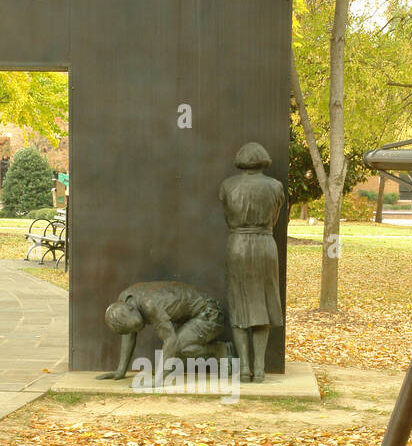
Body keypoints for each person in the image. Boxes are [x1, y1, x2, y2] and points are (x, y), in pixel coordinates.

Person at [218, 142, 285, 382]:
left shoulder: (228, 186)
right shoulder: (275, 187)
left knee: (238, 307)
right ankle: (260, 368)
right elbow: (275, 219)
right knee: (263, 307)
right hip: (265, 244)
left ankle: (244, 368)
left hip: (237, 245)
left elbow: (227, 217)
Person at [97, 281, 229, 380]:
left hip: (210, 314)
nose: (138, 330)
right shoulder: (124, 300)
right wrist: (121, 370)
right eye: (133, 329)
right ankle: (171, 366)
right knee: (174, 348)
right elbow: (129, 334)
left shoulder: (150, 304)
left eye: (138, 325)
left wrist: (159, 378)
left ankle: (220, 350)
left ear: (131, 309)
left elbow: (170, 340)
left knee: (177, 347)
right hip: (186, 319)